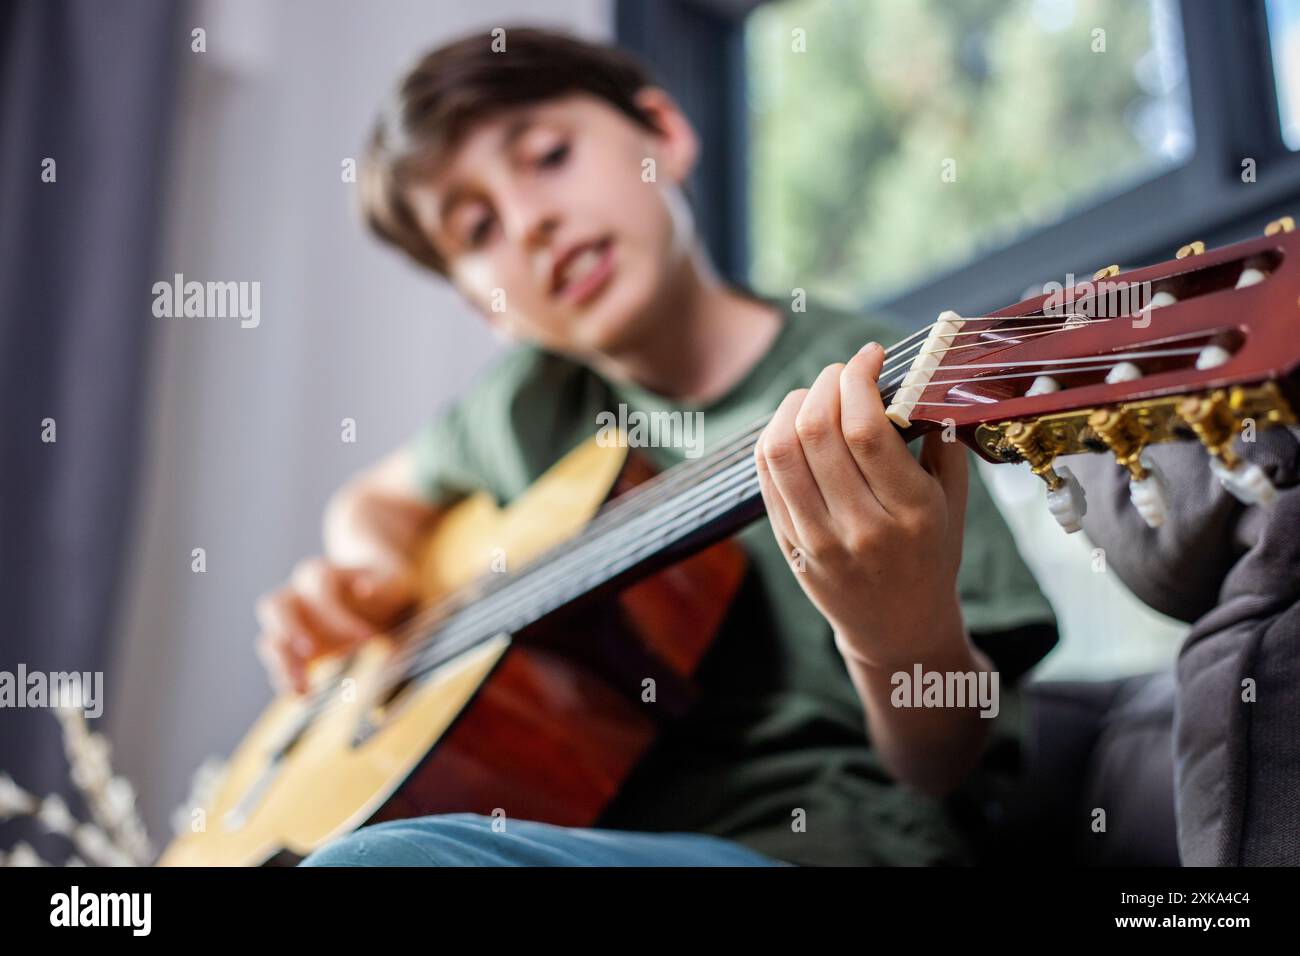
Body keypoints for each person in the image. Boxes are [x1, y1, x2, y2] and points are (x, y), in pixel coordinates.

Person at [255, 27, 1057, 867]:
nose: (530, 222)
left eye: (549, 155)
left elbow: (952, 758)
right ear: (486, 308)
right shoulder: (530, 401)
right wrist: (374, 578)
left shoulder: (881, 385)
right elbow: (371, 502)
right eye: (477, 227)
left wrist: (896, 630)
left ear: (663, 137)